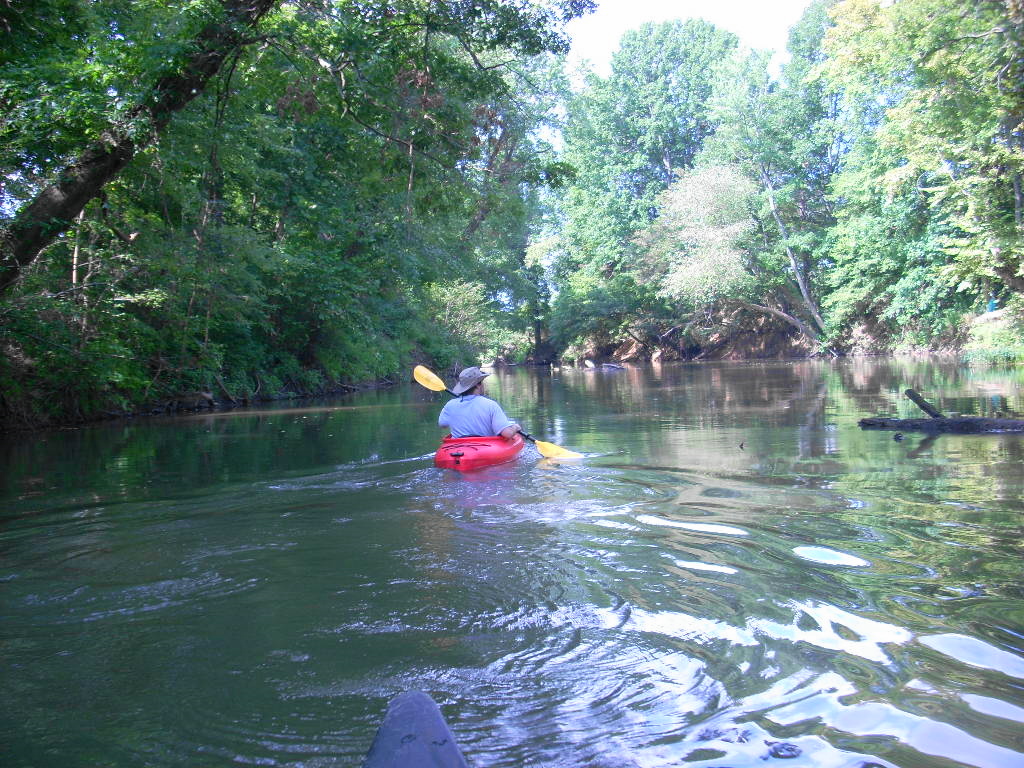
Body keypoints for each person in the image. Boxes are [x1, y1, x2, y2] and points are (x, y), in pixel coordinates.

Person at [438, 366, 521, 439]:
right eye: (482, 382)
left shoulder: (450, 405)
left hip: (457, 451)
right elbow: (508, 434)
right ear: (478, 385)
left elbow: (443, 425)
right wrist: (515, 427)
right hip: (486, 450)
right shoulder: (490, 405)